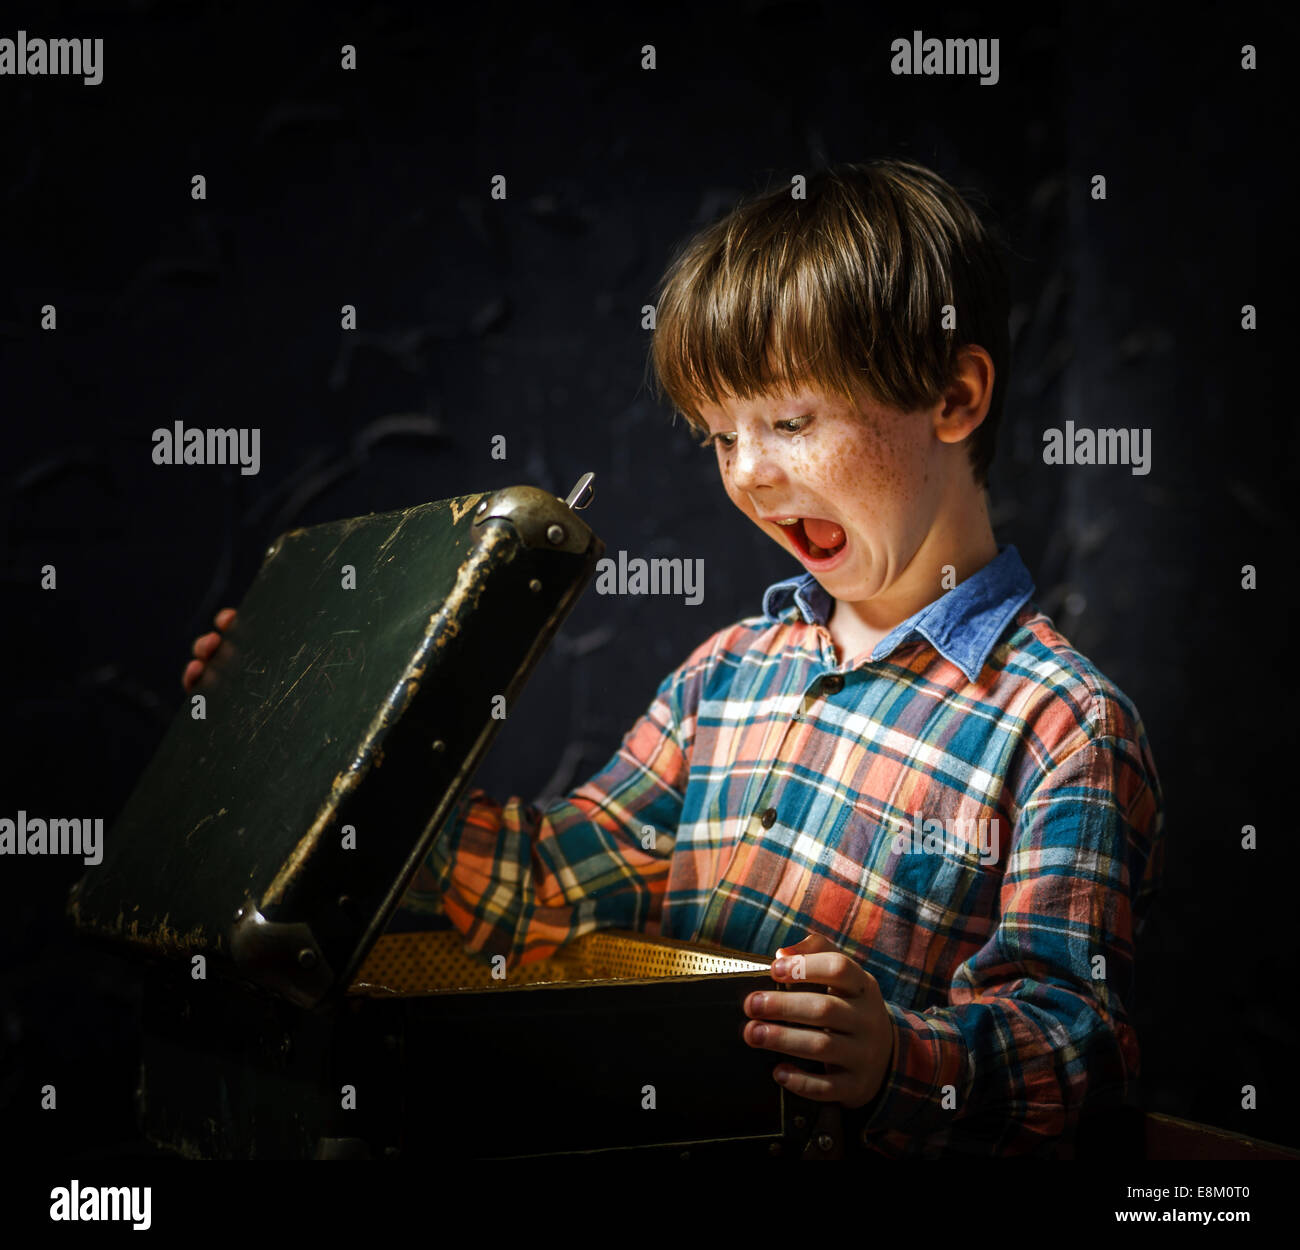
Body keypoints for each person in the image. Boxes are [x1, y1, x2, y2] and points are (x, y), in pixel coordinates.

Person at [183, 159, 1164, 1158]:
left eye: (789, 421)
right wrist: (333, 762)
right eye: (719, 436)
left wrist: (899, 1058)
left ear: (953, 397)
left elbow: (1077, 1045)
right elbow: (545, 890)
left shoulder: (1063, 722)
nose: (749, 472)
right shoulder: (722, 676)